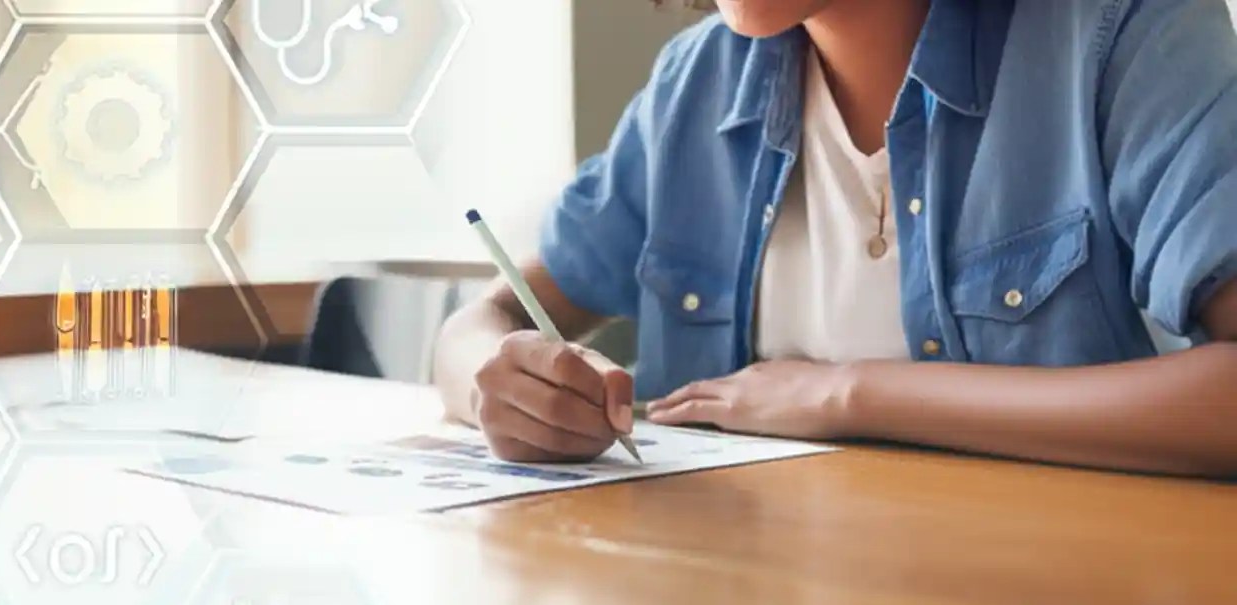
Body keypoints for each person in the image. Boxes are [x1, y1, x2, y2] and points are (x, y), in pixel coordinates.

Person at [434, 0, 1237, 477]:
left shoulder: (1119, 34)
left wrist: (850, 393)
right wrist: (491, 383)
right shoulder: (694, 87)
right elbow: (480, 326)